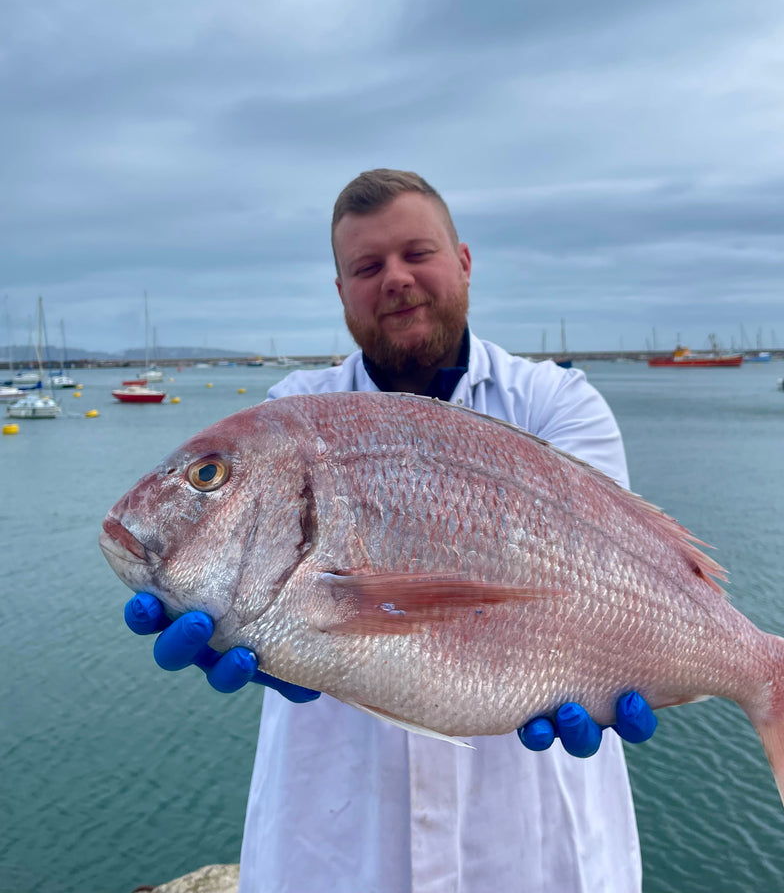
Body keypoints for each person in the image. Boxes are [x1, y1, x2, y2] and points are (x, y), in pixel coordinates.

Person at [124, 169, 656, 893]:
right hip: (338, 849)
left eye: (417, 253)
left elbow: (616, 586)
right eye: (367, 267)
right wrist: (236, 616)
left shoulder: (557, 402)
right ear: (341, 291)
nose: (396, 279)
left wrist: (635, 663)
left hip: (536, 845)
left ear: (463, 261)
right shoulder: (294, 413)